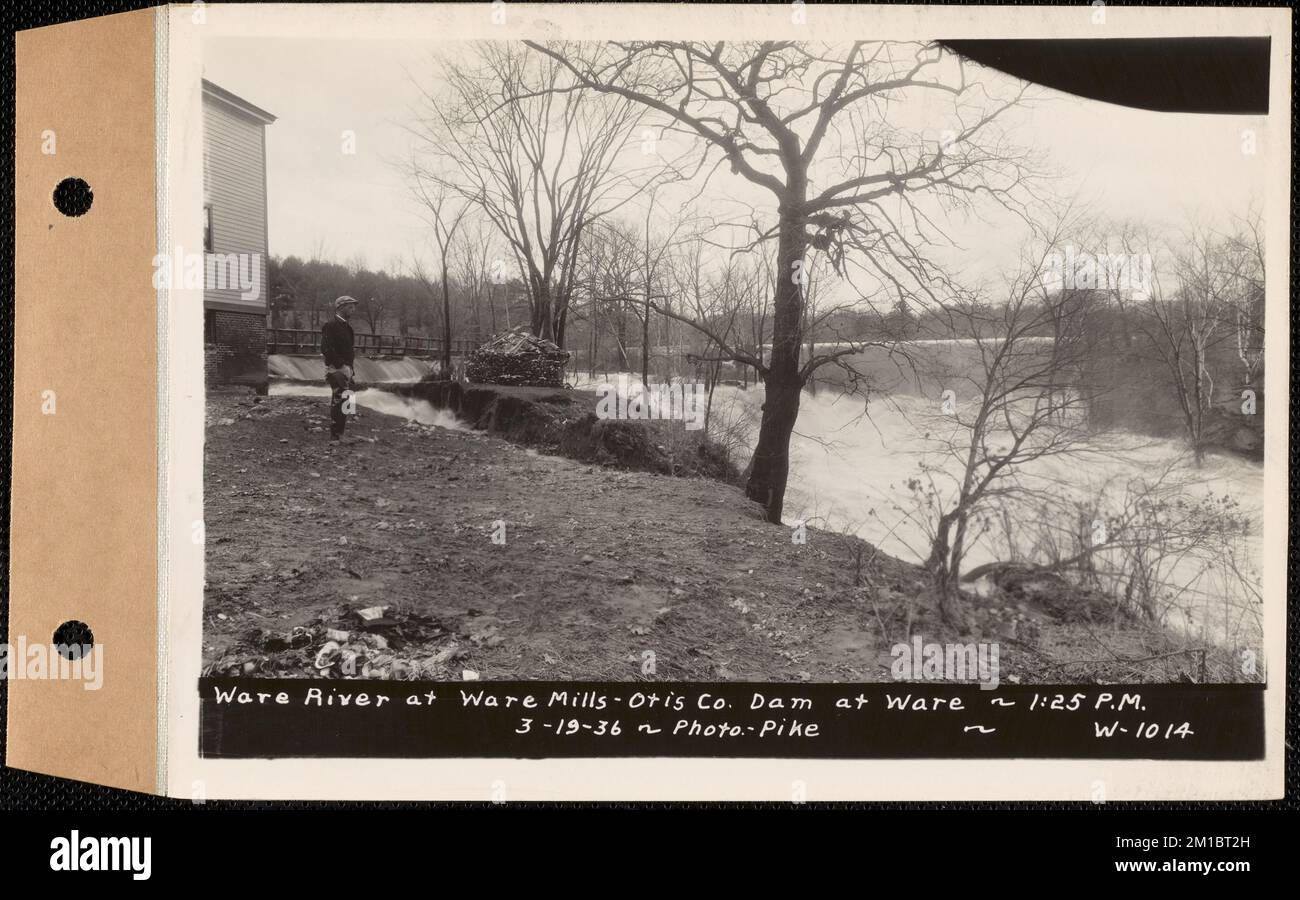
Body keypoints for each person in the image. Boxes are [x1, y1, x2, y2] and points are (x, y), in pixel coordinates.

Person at [321, 295, 358, 442]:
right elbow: (326, 348)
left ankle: (342, 432)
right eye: (350, 306)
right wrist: (341, 365)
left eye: (354, 306)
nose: (353, 309)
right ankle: (336, 436)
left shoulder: (347, 327)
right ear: (340, 307)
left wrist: (351, 370)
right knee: (339, 400)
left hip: (347, 369)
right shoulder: (330, 325)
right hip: (336, 369)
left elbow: (349, 351)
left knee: (349, 401)